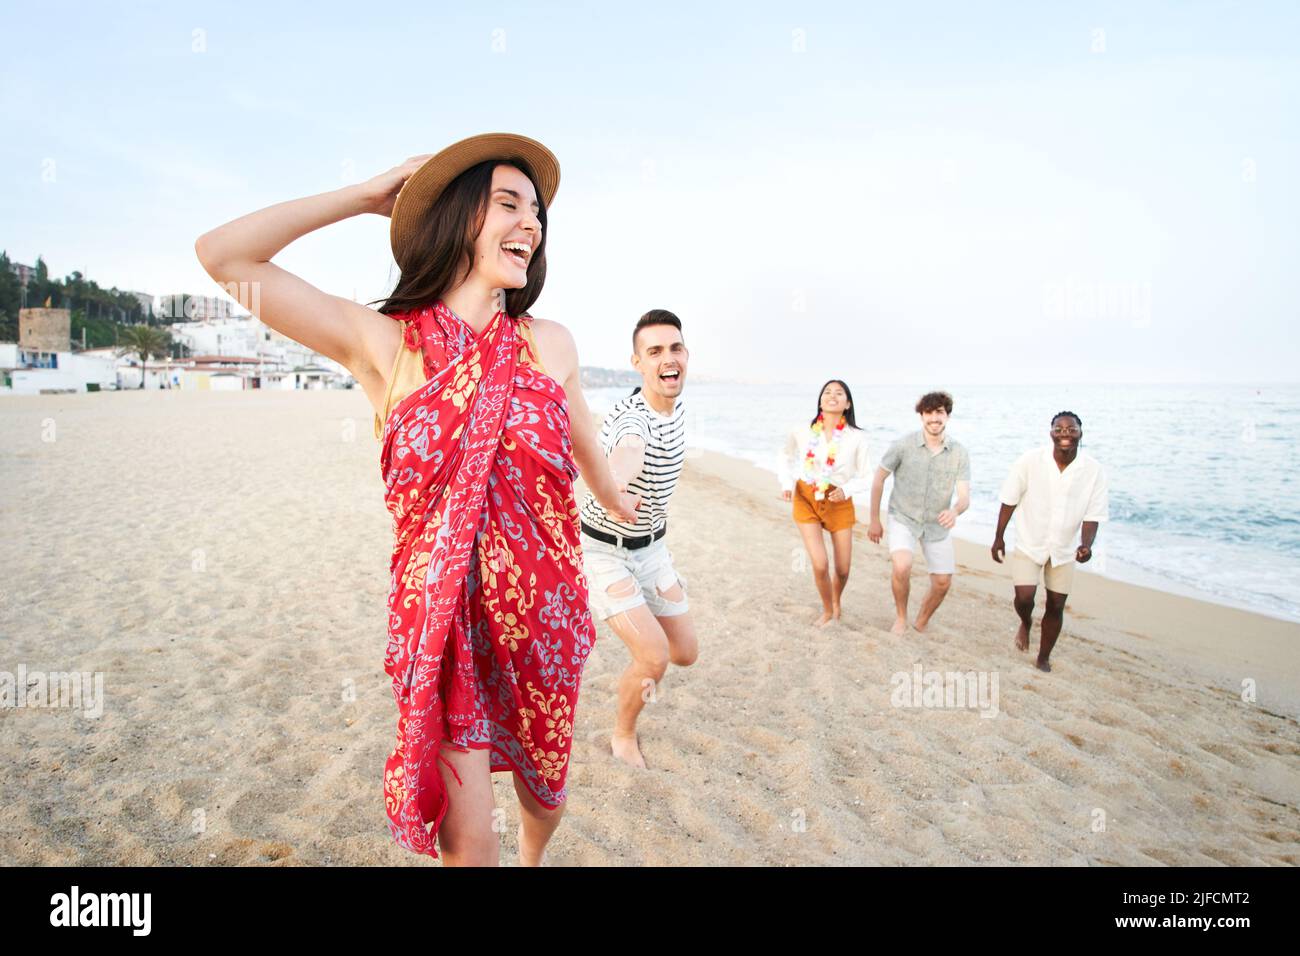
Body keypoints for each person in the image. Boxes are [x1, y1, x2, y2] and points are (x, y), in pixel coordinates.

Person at [195, 132, 638, 866]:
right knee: (468, 840)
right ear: (459, 216)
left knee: (544, 796)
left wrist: (624, 489)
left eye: (536, 213)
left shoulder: (549, 345)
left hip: (544, 623)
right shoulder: (383, 343)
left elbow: (588, 457)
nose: (530, 223)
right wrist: (367, 195)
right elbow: (224, 256)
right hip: (443, 632)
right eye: (508, 204)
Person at [578, 309, 697, 769]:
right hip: (602, 550)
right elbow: (628, 450)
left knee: (684, 653)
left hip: (651, 550)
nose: (668, 359)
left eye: (676, 348)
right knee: (654, 656)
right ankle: (622, 735)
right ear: (637, 362)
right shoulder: (634, 417)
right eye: (655, 352)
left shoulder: (676, 407)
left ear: (685, 355)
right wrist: (616, 489)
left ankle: (635, 646)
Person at [991, 411, 1109, 672]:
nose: (1065, 433)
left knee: (1056, 605)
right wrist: (998, 537)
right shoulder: (1030, 461)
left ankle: (1043, 657)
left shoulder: (1093, 471)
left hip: (1064, 550)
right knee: (1024, 598)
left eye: (1071, 429)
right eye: (1059, 429)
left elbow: (1093, 514)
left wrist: (1086, 544)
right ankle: (1026, 622)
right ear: (1051, 433)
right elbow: (1009, 499)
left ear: (1080, 432)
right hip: (1029, 542)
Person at [867, 391, 971, 635]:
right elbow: (878, 479)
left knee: (943, 582)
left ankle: (922, 620)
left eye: (939, 413)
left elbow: (965, 496)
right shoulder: (903, 445)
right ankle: (901, 617)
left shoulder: (959, 452)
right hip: (904, 516)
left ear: (947, 416)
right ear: (921, 416)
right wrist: (874, 520)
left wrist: (955, 510)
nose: (934, 418)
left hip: (937, 523)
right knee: (902, 566)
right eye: (929, 413)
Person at [779, 380, 872, 626]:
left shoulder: (857, 438)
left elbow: (867, 476)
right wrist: (787, 484)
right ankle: (828, 609)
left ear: (847, 403)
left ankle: (836, 599)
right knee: (820, 564)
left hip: (838, 499)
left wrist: (847, 490)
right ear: (820, 400)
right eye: (827, 392)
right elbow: (786, 456)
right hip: (806, 497)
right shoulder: (802, 431)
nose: (832, 396)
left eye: (839, 393)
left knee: (842, 569)